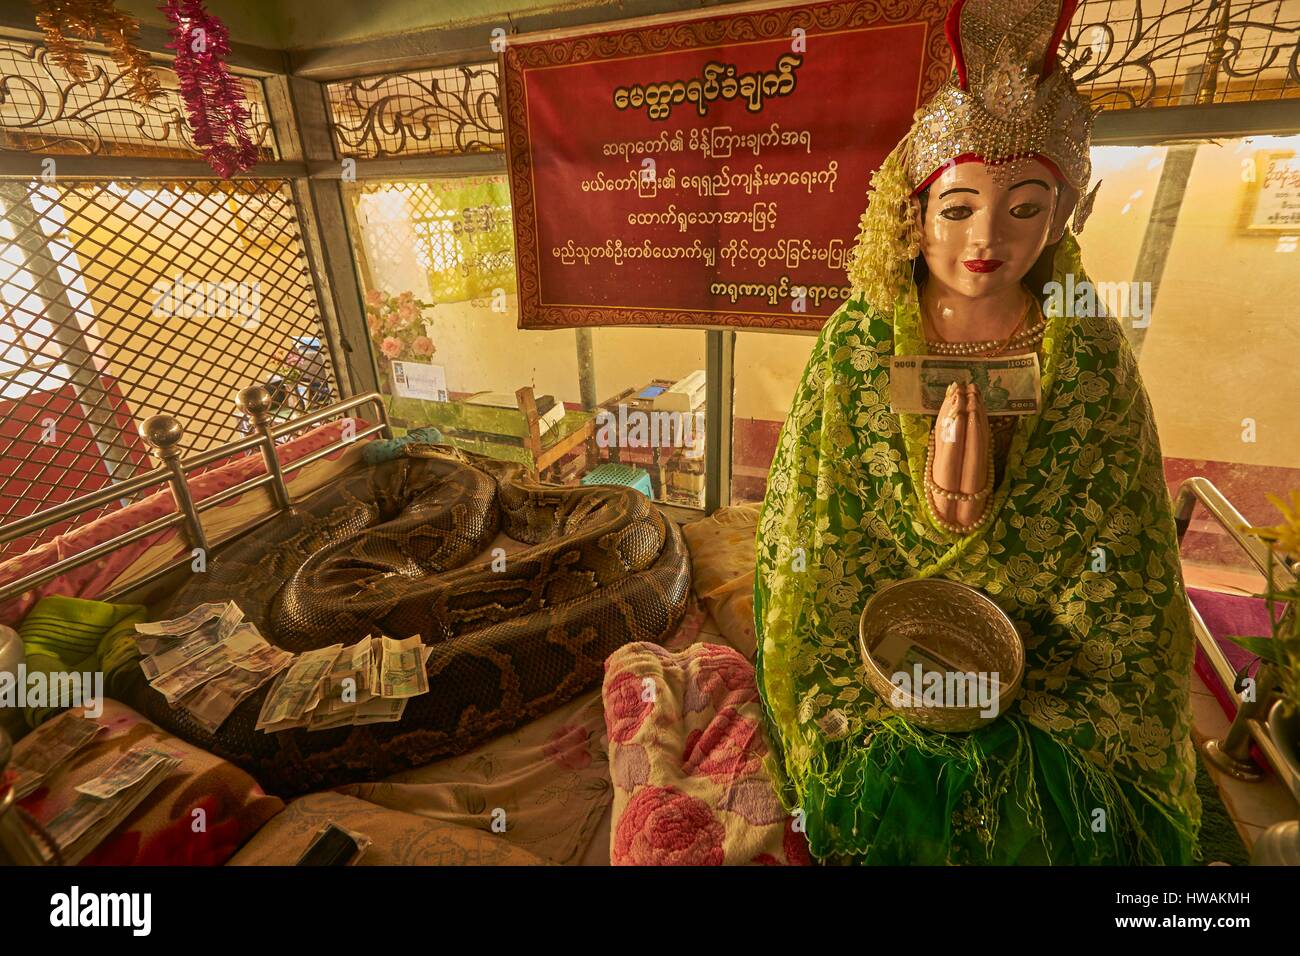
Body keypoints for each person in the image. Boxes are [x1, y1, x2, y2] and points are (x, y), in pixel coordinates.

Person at [753, 0, 1201, 864]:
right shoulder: (860, 340)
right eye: (958, 209)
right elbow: (819, 523)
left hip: (1053, 637)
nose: (988, 237)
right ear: (913, 214)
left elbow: (1121, 536)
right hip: (883, 625)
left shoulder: (1087, 345)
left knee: (1070, 794)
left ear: (1065, 213)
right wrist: (933, 514)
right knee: (883, 775)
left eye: (1024, 207)